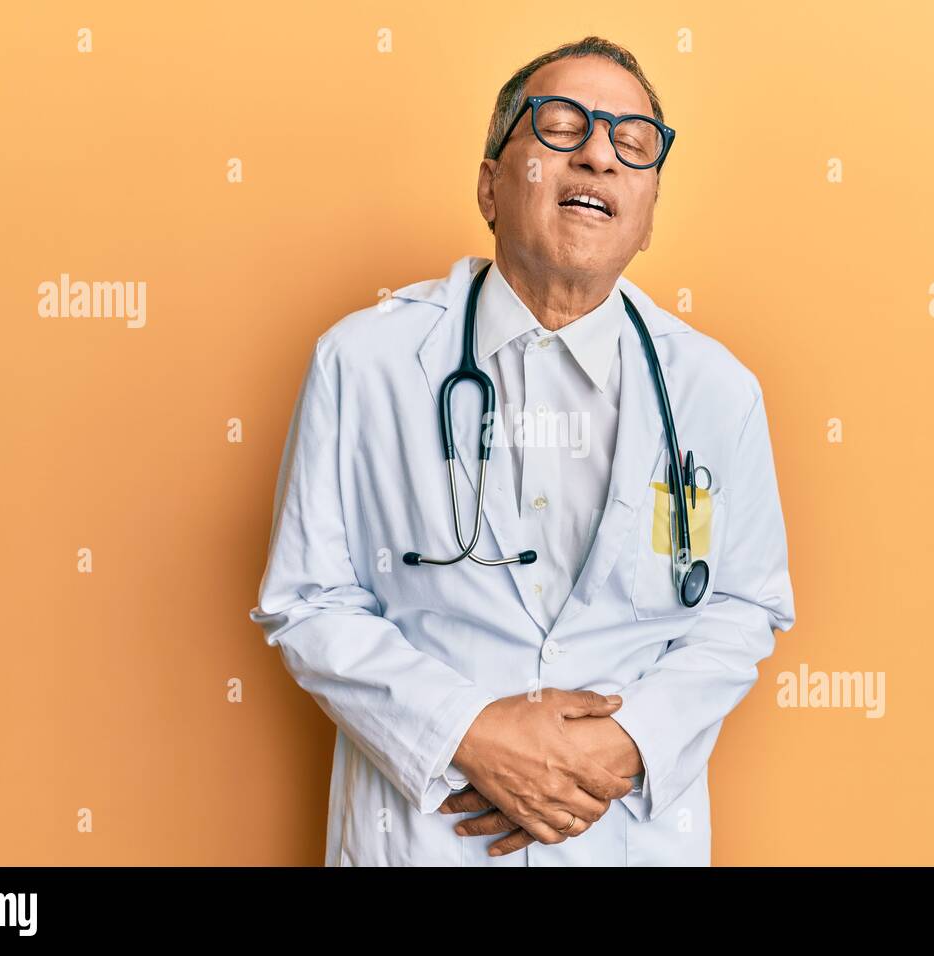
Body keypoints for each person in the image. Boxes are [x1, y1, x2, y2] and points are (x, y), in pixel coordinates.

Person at [249, 36, 795, 866]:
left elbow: (744, 606)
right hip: (428, 834)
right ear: (490, 186)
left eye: (632, 142)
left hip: (621, 832)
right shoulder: (363, 362)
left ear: (648, 214)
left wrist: (632, 742)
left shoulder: (716, 390)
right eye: (562, 127)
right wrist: (464, 732)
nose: (600, 157)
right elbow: (308, 598)